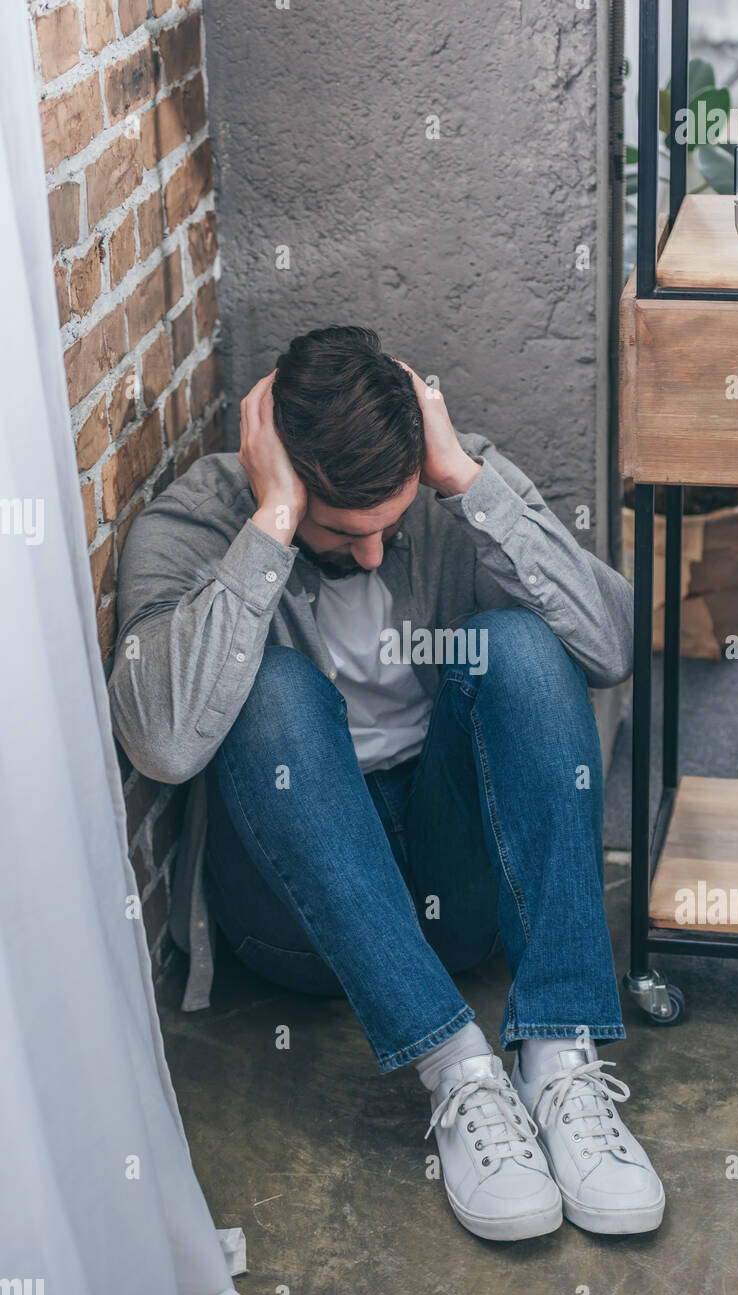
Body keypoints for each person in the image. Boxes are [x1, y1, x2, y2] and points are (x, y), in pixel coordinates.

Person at [110, 324, 664, 1242]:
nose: (371, 555)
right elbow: (162, 745)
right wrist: (274, 526)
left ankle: (560, 1059)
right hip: (299, 924)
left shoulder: (450, 483)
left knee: (519, 647)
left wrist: (468, 486)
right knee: (272, 696)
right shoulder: (198, 521)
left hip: (461, 889)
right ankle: (458, 1074)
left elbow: (610, 648)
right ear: (275, 470)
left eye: (388, 526)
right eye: (339, 530)